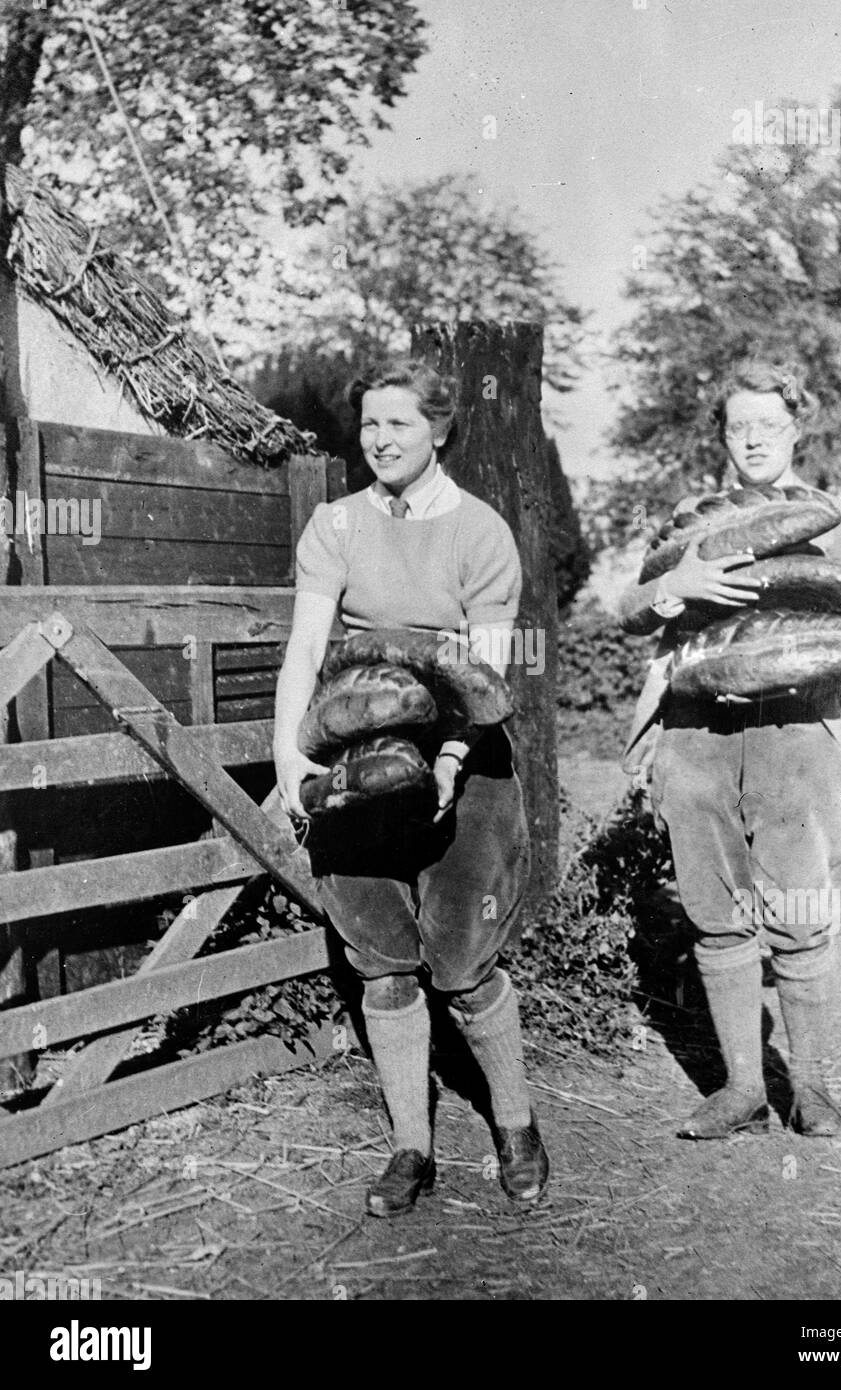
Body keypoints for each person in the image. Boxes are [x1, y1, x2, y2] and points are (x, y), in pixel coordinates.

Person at [273, 360, 549, 1215]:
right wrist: (289, 755)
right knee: (380, 959)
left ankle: (515, 1123)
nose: (381, 440)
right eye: (369, 427)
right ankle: (410, 1148)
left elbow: (484, 678)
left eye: (399, 424)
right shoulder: (335, 524)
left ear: (439, 430)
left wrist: (449, 764)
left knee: (461, 963)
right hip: (360, 756)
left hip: (464, 760)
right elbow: (305, 649)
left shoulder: (479, 533)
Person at [621, 360, 841, 1140]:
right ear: (721, 435)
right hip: (695, 732)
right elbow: (632, 610)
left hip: (796, 732)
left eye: (770, 424)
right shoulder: (690, 519)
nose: (755, 439)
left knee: (802, 910)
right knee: (714, 910)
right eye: (740, 426)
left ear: (795, 428)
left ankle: (807, 1086)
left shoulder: (837, 518)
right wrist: (681, 587)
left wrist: (783, 659)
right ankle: (741, 1088)